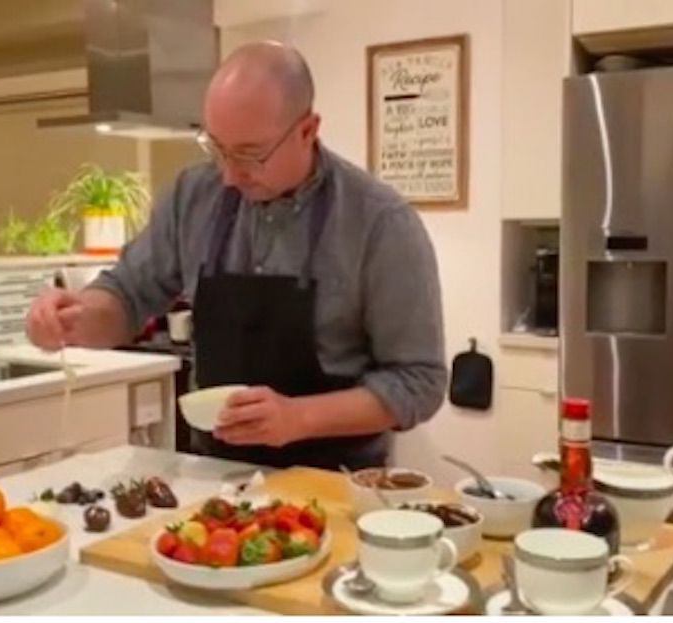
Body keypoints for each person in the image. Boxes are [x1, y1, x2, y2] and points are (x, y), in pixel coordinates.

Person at [26, 41, 446, 470]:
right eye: (217, 148)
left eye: (249, 154)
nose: (229, 175)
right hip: (216, 473)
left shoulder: (379, 222)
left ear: (307, 131)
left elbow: (419, 382)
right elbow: (128, 294)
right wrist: (75, 317)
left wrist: (298, 418)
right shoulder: (193, 196)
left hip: (335, 480)